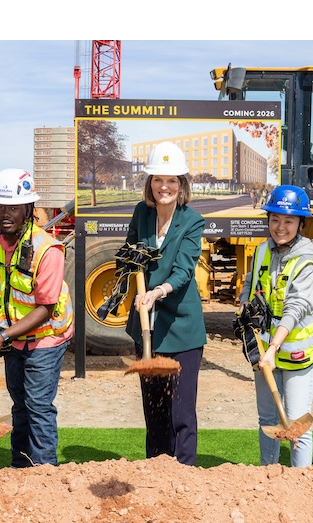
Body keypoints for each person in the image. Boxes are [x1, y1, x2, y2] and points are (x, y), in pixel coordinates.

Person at [0, 168, 74, 468]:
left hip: (46, 337)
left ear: (28, 209)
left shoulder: (48, 250)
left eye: (13, 207)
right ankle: (20, 467)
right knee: (20, 404)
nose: (5, 214)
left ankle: (44, 473)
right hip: (11, 337)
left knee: (38, 405)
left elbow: (45, 308)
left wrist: (0, 337)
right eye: (0, 206)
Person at [125, 141, 207, 466]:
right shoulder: (141, 213)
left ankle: (183, 477)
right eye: (158, 179)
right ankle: (155, 473)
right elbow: (130, 254)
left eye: (172, 180)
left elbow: (184, 270)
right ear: (150, 183)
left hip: (182, 329)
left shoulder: (192, 221)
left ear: (182, 184)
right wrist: (133, 280)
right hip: (148, 331)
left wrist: (156, 292)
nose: (165, 187)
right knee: (154, 414)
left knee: (180, 413)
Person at [238, 185, 313, 468]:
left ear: (301, 223)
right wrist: (244, 301)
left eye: (289, 220)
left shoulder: (306, 260)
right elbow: (252, 283)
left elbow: (296, 307)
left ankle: (302, 483)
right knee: (267, 420)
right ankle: (269, 477)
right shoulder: (262, 250)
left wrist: (274, 347)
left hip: (297, 353)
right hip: (266, 353)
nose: (280, 227)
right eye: (275, 219)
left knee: (298, 422)